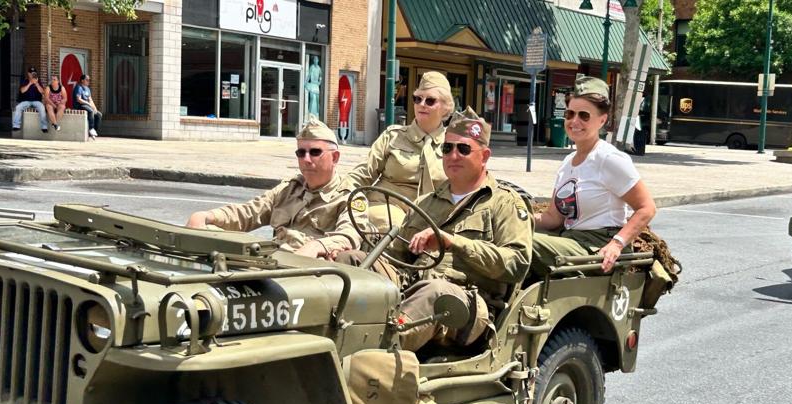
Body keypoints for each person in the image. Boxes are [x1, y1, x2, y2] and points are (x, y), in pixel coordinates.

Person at [341, 108, 533, 352]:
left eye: (463, 149)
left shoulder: (504, 203)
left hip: (467, 303)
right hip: (415, 283)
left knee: (434, 293)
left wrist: (453, 242)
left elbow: (517, 264)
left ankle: (372, 352)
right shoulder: (427, 202)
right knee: (352, 262)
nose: (453, 155)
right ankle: (331, 334)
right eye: (447, 148)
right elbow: (399, 256)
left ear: (484, 156)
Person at [186, 117, 370, 259]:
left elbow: (349, 236)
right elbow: (248, 213)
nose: (306, 159)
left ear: (335, 157)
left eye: (315, 152)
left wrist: (317, 247)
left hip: (312, 272)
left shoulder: (350, 197)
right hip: (272, 259)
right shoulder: (288, 189)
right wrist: (207, 216)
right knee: (207, 237)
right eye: (301, 152)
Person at [531, 76, 657, 276]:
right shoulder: (567, 163)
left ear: (602, 120)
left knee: (524, 244)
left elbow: (647, 208)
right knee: (513, 235)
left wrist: (617, 243)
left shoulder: (609, 158)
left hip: (598, 246)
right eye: (570, 114)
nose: (574, 121)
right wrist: (517, 218)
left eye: (584, 116)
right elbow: (552, 218)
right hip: (571, 240)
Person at [347, 71, 454, 231]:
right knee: (398, 228)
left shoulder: (455, 145)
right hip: (387, 209)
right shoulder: (393, 136)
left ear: (446, 108)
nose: (422, 104)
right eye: (417, 99)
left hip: (433, 218)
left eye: (430, 100)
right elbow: (363, 174)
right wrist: (344, 197)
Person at [12, 66, 48, 133]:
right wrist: (30, 83)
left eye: (33, 73)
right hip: (26, 101)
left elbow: (43, 92)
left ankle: (44, 127)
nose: (32, 74)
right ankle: (16, 126)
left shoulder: (38, 81)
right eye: (31, 73)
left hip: (37, 101)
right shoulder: (25, 81)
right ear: (28, 74)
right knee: (18, 107)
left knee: (42, 107)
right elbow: (22, 91)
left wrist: (37, 84)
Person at [74, 74, 102, 139]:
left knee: (98, 114)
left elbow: (90, 99)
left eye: (89, 80)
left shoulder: (87, 89)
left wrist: (94, 108)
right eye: (87, 80)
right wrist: (88, 104)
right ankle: (91, 128)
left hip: (86, 105)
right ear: (82, 80)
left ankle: (93, 131)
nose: (88, 81)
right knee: (90, 111)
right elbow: (79, 99)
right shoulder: (78, 87)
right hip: (79, 105)